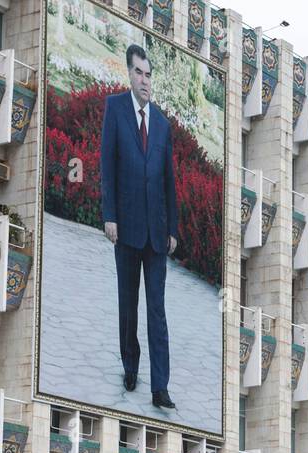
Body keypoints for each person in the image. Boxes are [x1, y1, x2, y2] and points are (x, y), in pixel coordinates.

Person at [100, 42, 181, 412]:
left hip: (156, 234)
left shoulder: (162, 125)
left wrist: (173, 230)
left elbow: (169, 180)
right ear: (129, 73)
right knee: (128, 306)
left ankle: (160, 387)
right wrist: (109, 215)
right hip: (126, 228)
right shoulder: (114, 109)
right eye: (139, 73)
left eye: (149, 75)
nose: (145, 80)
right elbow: (107, 166)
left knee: (158, 312)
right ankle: (130, 367)